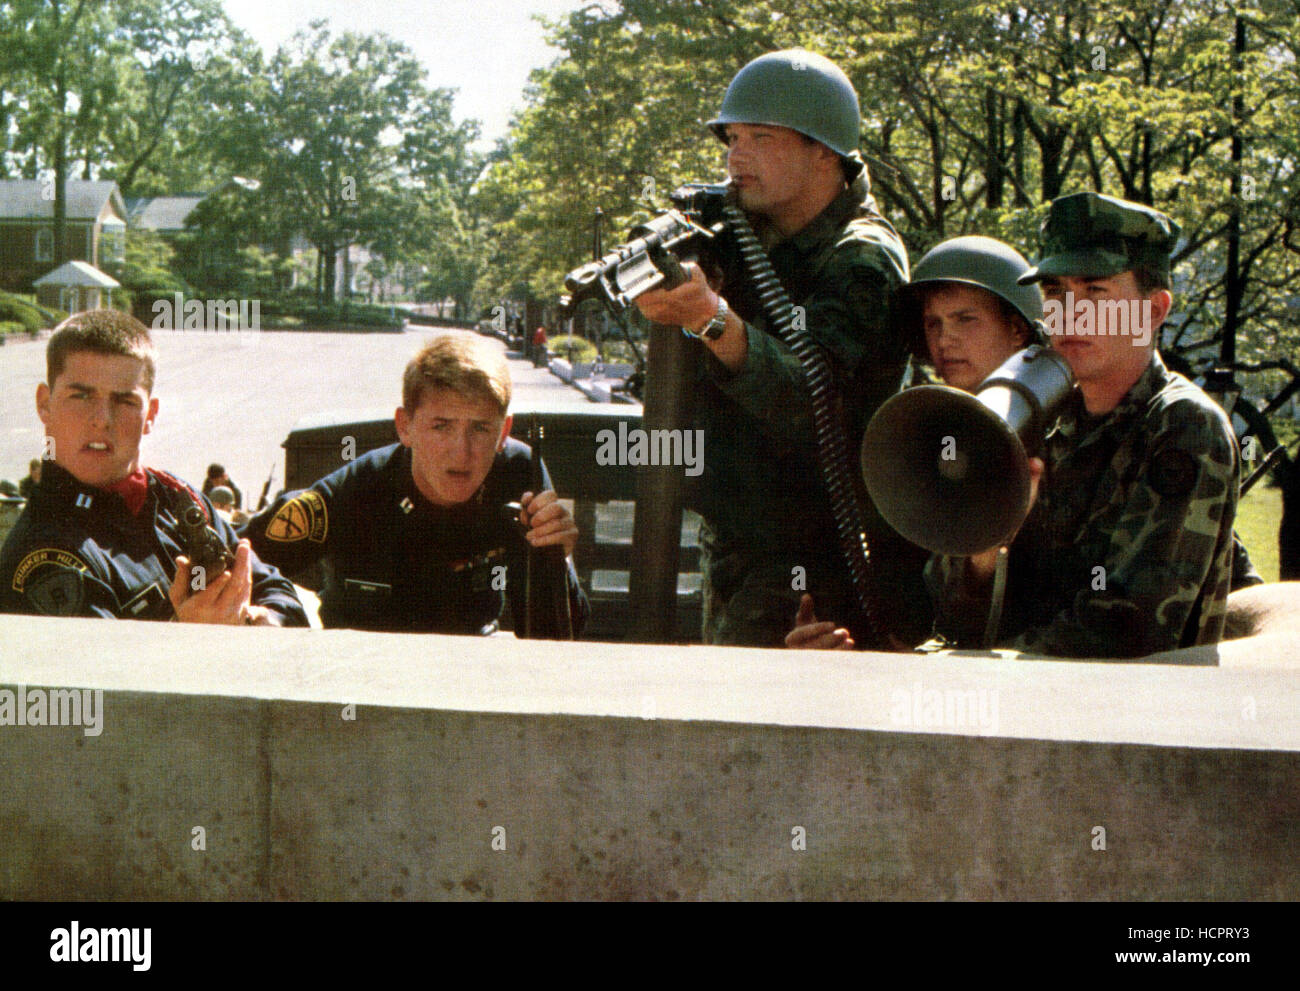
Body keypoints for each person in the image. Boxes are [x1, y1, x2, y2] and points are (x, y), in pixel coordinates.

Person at [633, 48, 925, 648]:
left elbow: (814, 402)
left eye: (760, 138)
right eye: (732, 139)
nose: (736, 156)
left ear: (824, 150)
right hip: (736, 539)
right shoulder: (740, 228)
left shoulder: (863, 259)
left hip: (819, 554)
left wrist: (715, 323)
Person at [925, 192, 1241, 657]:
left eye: (1095, 291)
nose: (1069, 313)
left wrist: (986, 666)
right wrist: (987, 552)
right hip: (1025, 702)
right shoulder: (1041, 419)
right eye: (1055, 293)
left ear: (1152, 311)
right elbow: (952, 614)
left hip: (1135, 718)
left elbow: (1127, 625)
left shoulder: (1184, 427)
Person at [241, 332, 589, 637]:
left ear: (504, 432)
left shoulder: (518, 473)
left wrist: (553, 561)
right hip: (358, 671)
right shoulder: (355, 492)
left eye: (481, 428)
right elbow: (241, 558)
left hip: (469, 665)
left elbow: (552, 640)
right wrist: (275, 616)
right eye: (441, 426)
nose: (462, 450)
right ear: (405, 426)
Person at [787, 235, 1041, 649]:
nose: (945, 340)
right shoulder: (913, 434)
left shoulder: (1060, 436)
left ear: (1016, 329)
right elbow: (901, 598)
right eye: (933, 323)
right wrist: (839, 647)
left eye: (965, 319)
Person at [0, 310, 307, 625]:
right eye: (81, 396)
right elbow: (91, 673)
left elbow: (281, 596)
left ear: (150, 415)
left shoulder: (180, 500)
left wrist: (258, 620)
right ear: (44, 404)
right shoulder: (43, 556)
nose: (101, 419)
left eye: (125, 402)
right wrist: (191, 635)